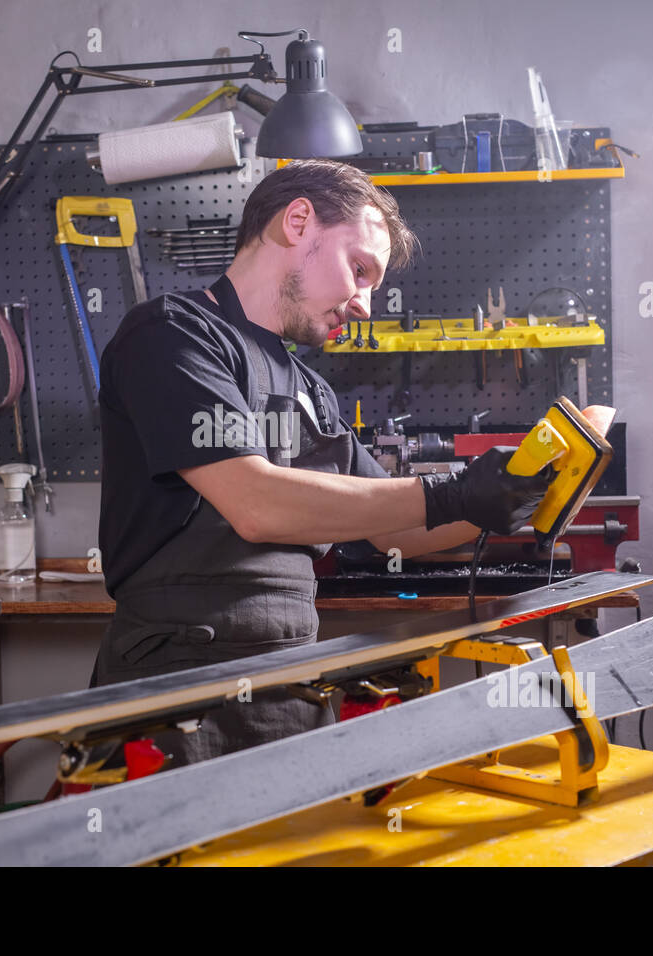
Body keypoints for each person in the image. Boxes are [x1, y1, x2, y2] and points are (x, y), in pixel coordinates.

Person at [91, 158, 549, 766]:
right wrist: (454, 492)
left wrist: (527, 497)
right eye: (359, 270)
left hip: (292, 677)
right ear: (298, 221)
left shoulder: (312, 390)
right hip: (177, 684)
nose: (364, 304)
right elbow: (254, 504)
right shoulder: (172, 336)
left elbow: (395, 528)